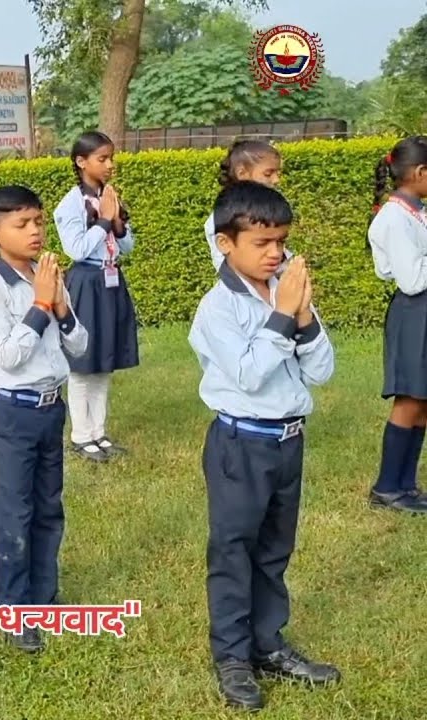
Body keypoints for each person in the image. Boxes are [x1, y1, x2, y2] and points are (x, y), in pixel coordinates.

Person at [191, 181, 340, 711]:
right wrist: (283, 313)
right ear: (226, 243)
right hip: (240, 444)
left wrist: (301, 315)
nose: (275, 253)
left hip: (287, 443)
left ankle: (268, 643)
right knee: (234, 552)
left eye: (281, 241)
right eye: (262, 243)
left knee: (274, 552)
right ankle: (232, 657)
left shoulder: (286, 291)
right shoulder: (217, 309)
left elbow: (322, 370)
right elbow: (251, 375)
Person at [0, 186, 86, 653]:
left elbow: (79, 347)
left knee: (48, 504)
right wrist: (39, 307)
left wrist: (60, 308)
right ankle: (14, 610)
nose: (35, 231)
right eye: (22, 224)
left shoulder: (48, 277)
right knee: (14, 510)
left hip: (51, 408)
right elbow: (8, 357)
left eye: (38, 221)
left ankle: (43, 593)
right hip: (14, 411)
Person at [53, 131, 139, 462]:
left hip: (111, 279)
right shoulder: (70, 203)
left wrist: (116, 223)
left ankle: (99, 431)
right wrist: (103, 220)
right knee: (82, 362)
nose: (109, 165)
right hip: (86, 281)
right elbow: (75, 249)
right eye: (102, 159)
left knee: (104, 360)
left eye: (110, 158)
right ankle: (80, 434)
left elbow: (127, 246)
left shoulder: (109, 196)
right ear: (81, 162)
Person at [367, 136, 427, 514]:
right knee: (409, 398)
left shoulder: (416, 211)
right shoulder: (393, 217)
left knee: (423, 399)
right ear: (420, 173)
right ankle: (387, 486)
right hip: (413, 311)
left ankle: (407, 485)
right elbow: (412, 279)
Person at [206, 140, 284, 269]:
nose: (276, 180)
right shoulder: (223, 219)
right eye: (268, 174)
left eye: (278, 173)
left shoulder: (271, 210)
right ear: (242, 174)